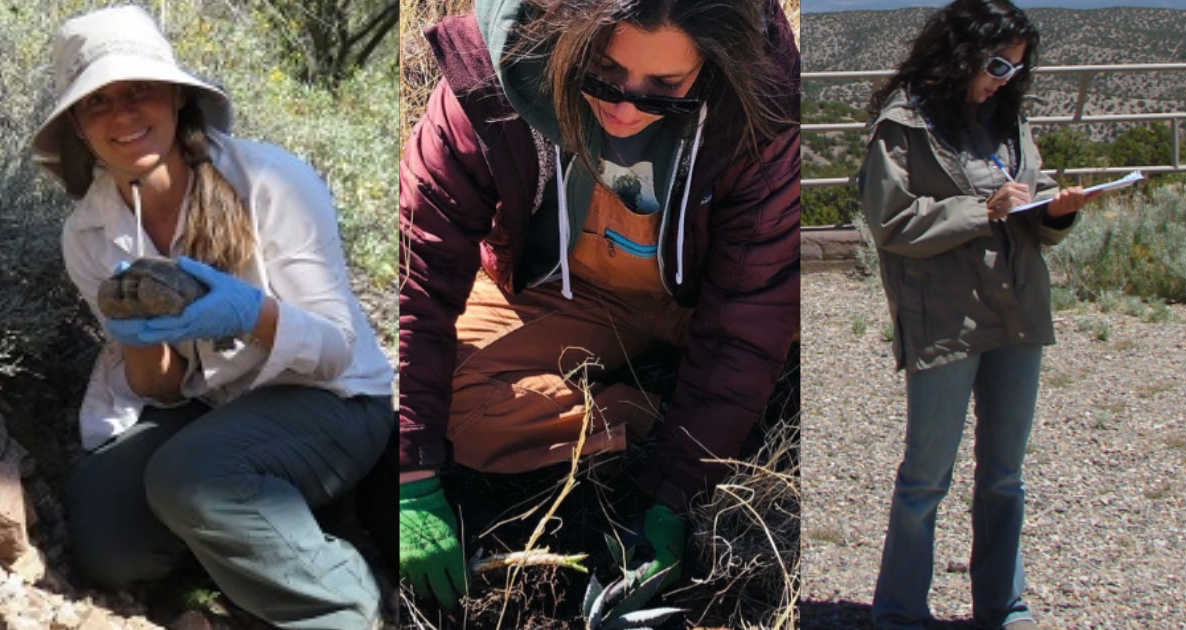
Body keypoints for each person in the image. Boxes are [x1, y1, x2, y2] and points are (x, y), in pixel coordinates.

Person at [397, 0, 800, 610]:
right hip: (568, 290)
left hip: (705, 298)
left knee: (789, 317)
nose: (625, 107)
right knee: (444, 400)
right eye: (600, 73)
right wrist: (408, 473)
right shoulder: (486, 80)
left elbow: (747, 315)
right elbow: (416, 274)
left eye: (666, 89)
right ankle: (652, 421)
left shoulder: (760, 111)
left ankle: (696, 437)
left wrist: (673, 498)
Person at [29, 6, 395, 629]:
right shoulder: (88, 232)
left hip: (332, 399)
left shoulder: (270, 181)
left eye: (138, 90)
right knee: (109, 539)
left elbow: (335, 347)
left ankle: (345, 604)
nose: (123, 115)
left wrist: (251, 313)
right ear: (79, 129)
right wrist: (135, 338)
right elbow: (163, 390)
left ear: (175, 98)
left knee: (192, 475)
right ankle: (267, 535)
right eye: (98, 103)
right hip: (219, 408)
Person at [857, 1, 1099, 629]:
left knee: (1004, 477)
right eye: (996, 63)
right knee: (925, 480)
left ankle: (1003, 606)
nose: (1005, 78)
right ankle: (901, 613)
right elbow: (891, 222)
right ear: (959, 51)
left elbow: (1028, 217)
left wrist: (1057, 212)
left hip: (1017, 312)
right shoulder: (902, 125)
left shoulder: (1008, 123)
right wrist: (981, 209)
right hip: (945, 318)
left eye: (1016, 68)